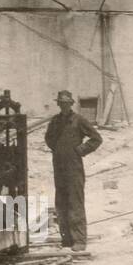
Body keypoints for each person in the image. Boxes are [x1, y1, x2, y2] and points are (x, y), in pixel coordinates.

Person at [44, 90, 103, 251]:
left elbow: (96, 139)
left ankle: (79, 240)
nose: (63, 105)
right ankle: (67, 239)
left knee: (75, 203)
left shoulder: (79, 120)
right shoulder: (55, 121)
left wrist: (81, 150)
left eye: (66, 103)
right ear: (58, 104)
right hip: (59, 166)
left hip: (74, 167)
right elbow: (48, 138)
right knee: (61, 203)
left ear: (71, 104)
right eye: (61, 103)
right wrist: (57, 149)